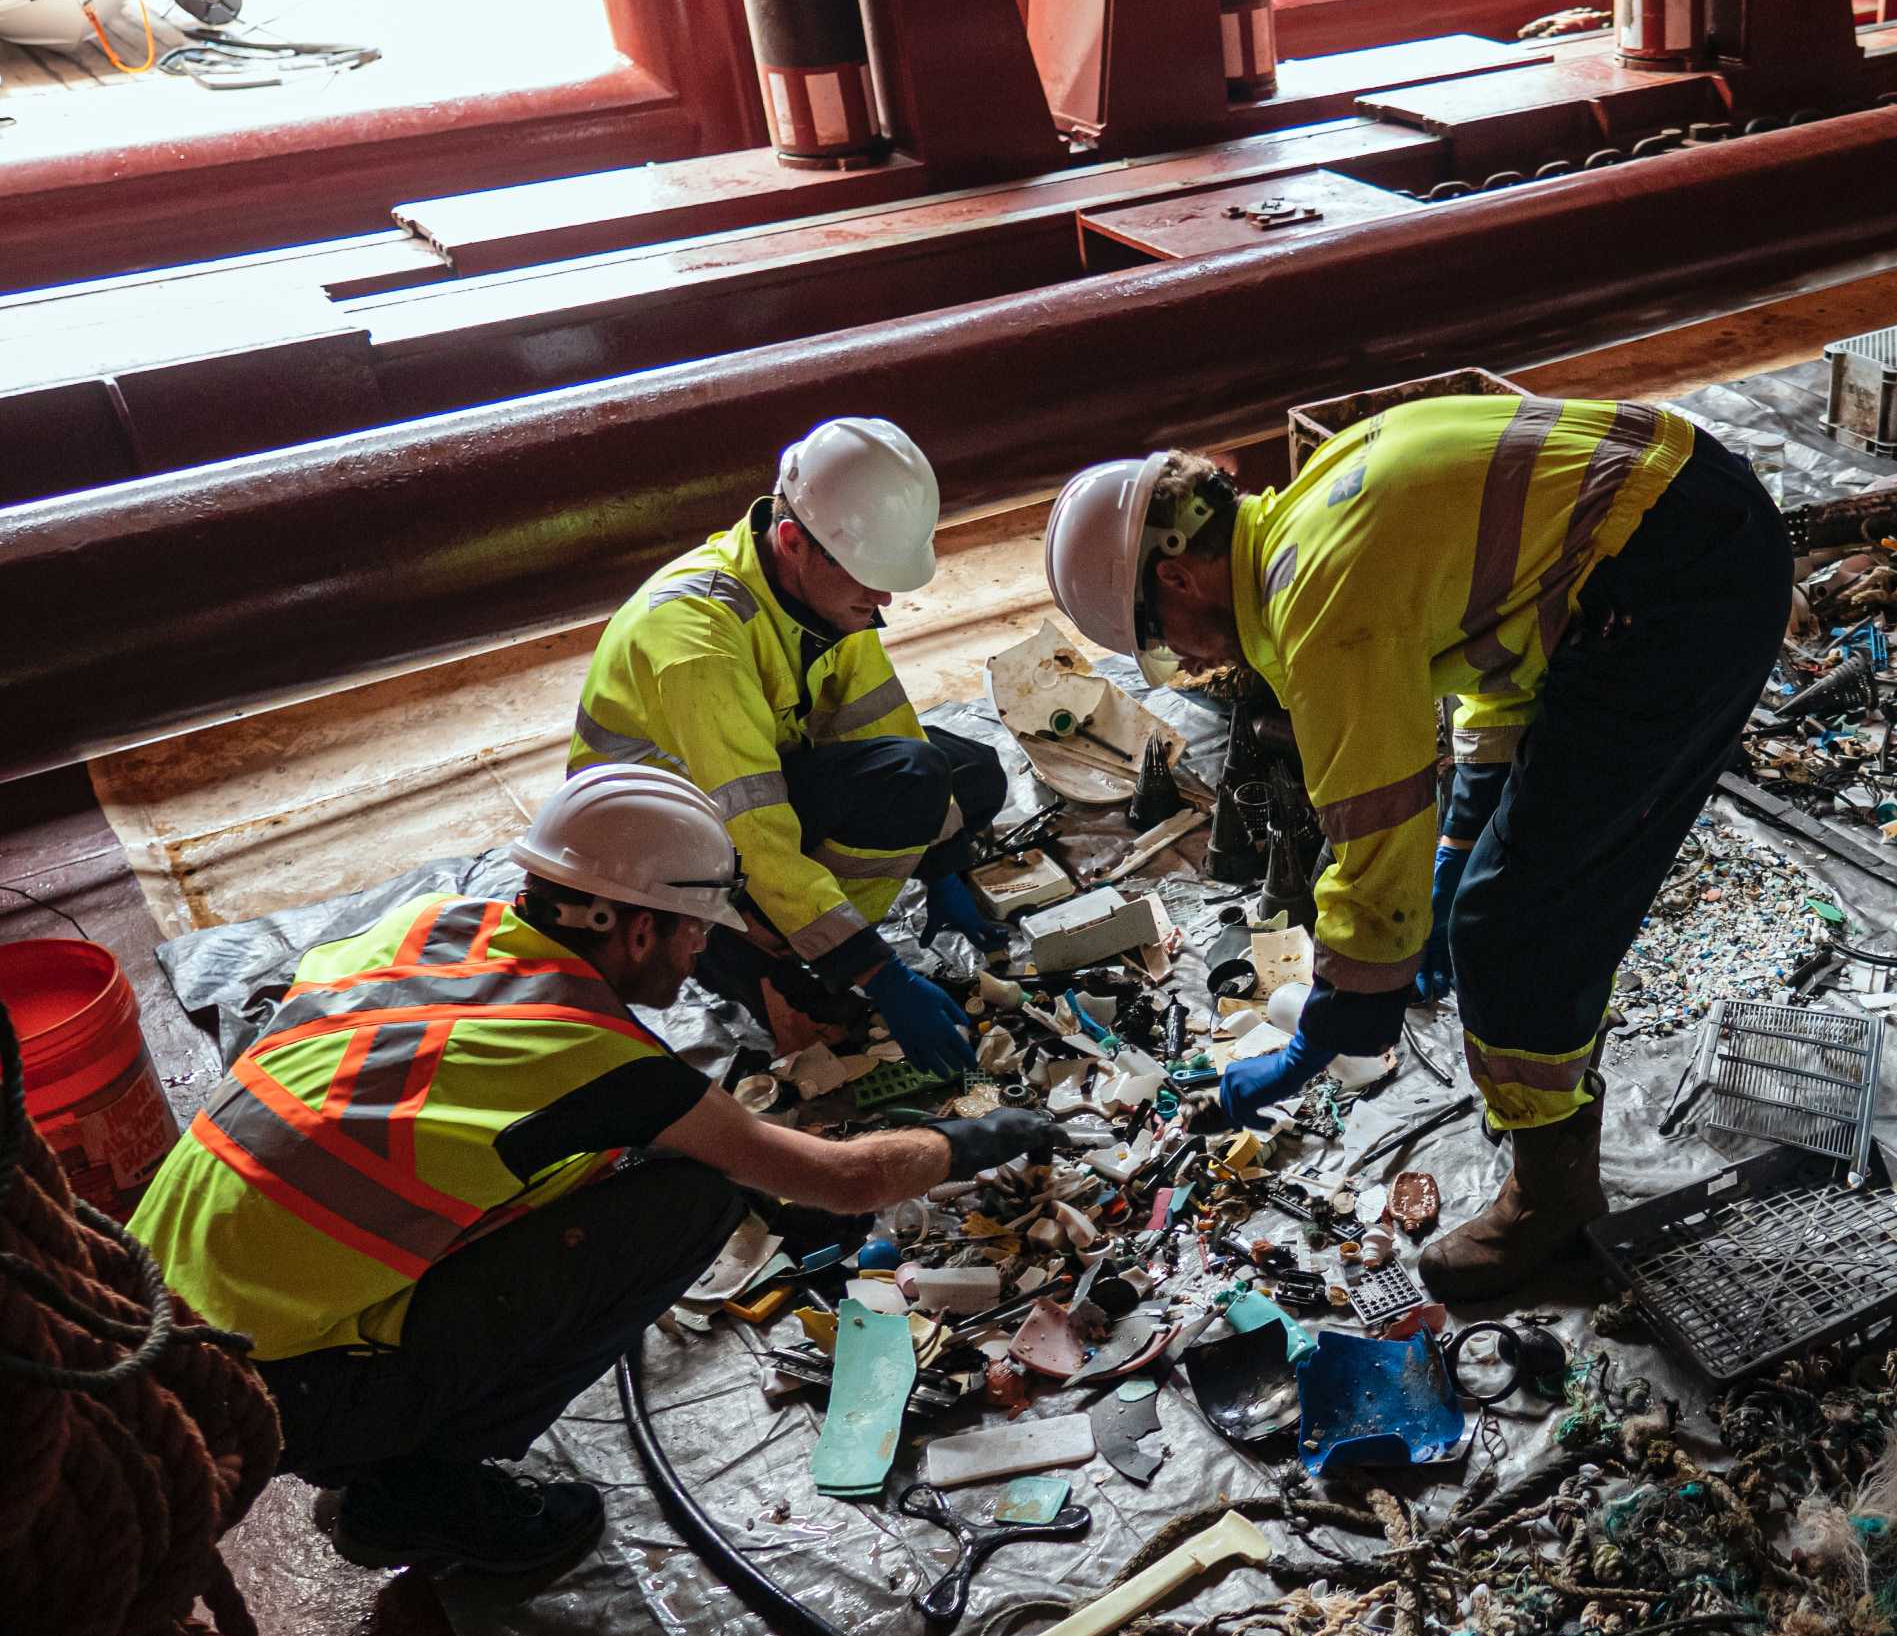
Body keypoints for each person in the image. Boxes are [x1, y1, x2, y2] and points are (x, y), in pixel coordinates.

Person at [127, 768, 1064, 1575]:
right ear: (634, 929)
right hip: (269, 1397)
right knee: (690, 1200)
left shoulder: (424, 929)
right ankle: (420, 1488)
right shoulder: (589, 1054)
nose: (703, 955)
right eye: (695, 930)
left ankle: (393, 1427)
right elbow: (844, 1181)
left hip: (143, 1312)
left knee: (624, 1169)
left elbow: (447, 1116)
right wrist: (979, 1137)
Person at [1043, 395, 1791, 1299]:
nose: (1193, 667)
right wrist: (1463, 834)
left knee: (1514, 923)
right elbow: (1501, 652)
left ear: (1175, 580)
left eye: (1166, 649)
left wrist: (1337, 1012)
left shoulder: (1317, 599)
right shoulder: (1314, 509)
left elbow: (1375, 830)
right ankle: (1544, 1095)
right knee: (1504, 882)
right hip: (1682, 514)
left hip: (1679, 583)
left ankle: (1552, 1204)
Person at [566, 415, 1008, 1077]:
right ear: (795, 541)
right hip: (658, 859)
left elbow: (884, 728)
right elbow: (755, 828)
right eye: (868, 575)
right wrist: (876, 973)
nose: (883, 595)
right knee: (907, 792)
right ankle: (763, 954)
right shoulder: (696, 641)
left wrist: (946, 867)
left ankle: (801, 934)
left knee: (967, 771)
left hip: (737, 802)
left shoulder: (823, 593)